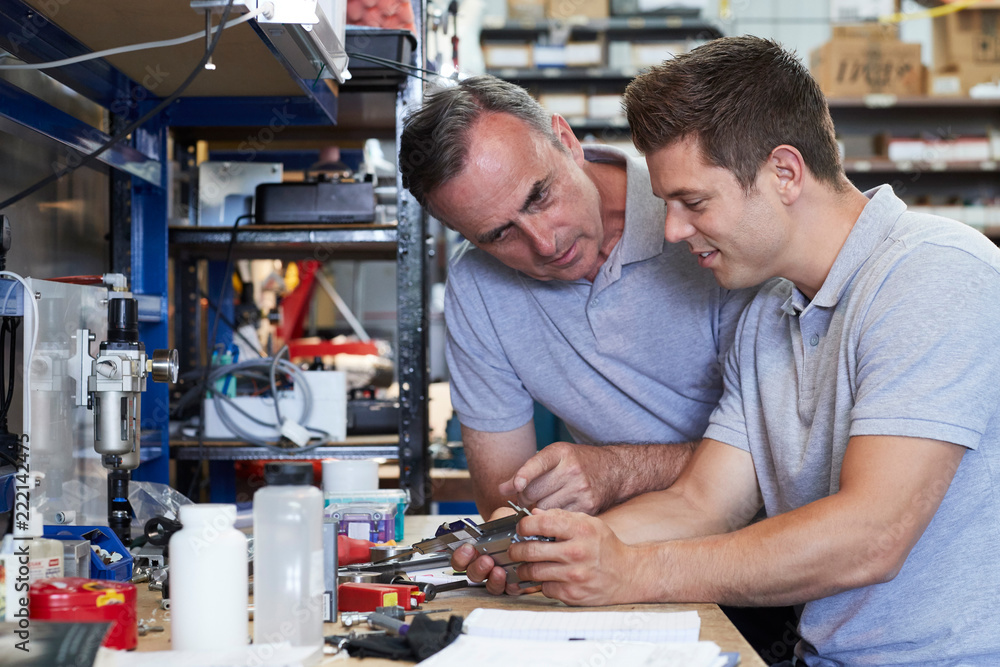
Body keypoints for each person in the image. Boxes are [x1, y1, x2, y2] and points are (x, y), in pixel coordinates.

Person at [506, 36, 1000, 665]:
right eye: (667, 205)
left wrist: (633, 571)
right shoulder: (769, 314)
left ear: (784, 173)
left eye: (693, 202)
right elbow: (700, 503)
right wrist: (541, 550)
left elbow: (873, 534)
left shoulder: (935, 274)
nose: (674, 230)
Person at [398, 76, 759, 568]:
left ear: (566, 141)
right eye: (499, 234)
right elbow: (508, 499)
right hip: (620, 560)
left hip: (763, 552)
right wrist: (516, 546)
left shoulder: (702, 219)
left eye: (539, 196)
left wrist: (617, 472)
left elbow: (780, 452)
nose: (544, 243)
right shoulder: (478, 286)